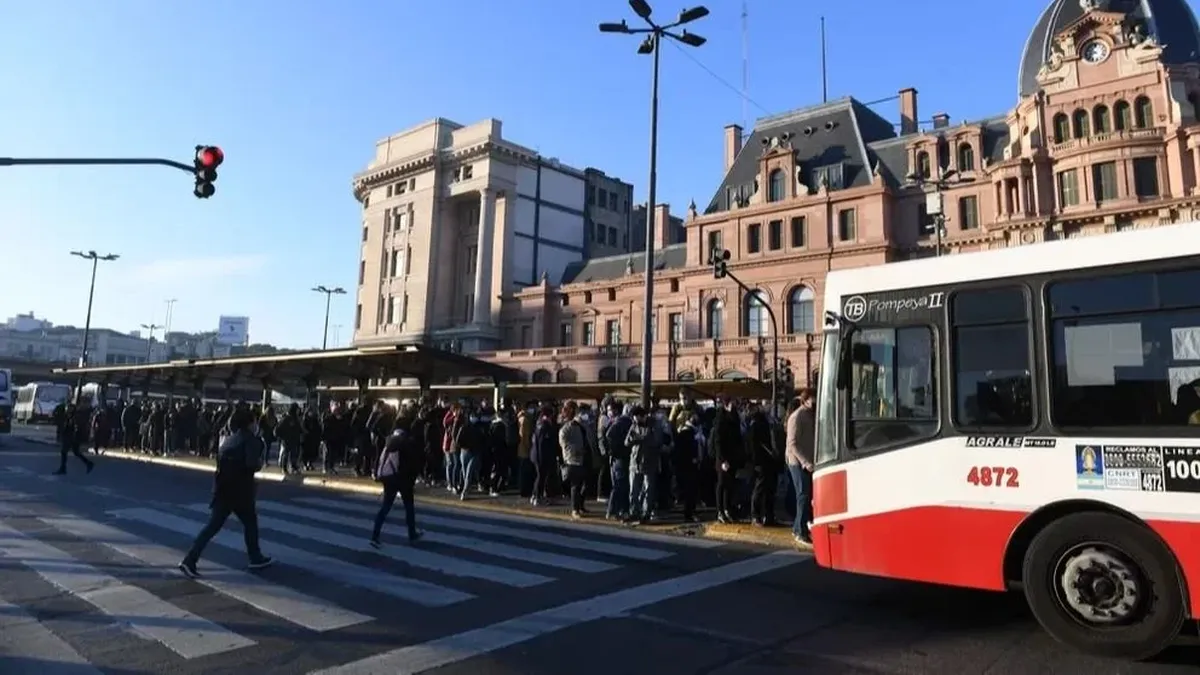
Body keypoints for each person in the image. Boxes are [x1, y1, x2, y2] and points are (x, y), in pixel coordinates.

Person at [178, 407, 274, 578]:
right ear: (250, 423)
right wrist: (259, 461)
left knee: (212, 527)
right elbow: (252, 463)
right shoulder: (251, 440)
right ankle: (255, 557)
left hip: (223, 489)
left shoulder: (228, 440)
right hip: (241, 491)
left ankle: (190, 559)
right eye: (254, 421)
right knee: (250, 522)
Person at [370, 415, 424, 547]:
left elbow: (380, 457)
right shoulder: (406, 442)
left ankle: (375, 535)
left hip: (388, 478)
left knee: (385, 507)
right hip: (403, 479)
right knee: (409, 507)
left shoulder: (389, 440)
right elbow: (412, 463)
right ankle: (412, 533)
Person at [785, 390, 816, 545]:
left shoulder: (810, 415)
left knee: (806, 495)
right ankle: (799, 530)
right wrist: (805, 462)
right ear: (805, 400)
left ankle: (801, 525)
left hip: (808, 461)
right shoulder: (796, 417)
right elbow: (793, 444)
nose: (815, 401)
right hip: (797, 463)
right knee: (802, 495)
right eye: (812, 398)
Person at [54, 402, 95, 475]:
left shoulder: (74, 417)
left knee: (64, 452)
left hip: (72, 437)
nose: (67, 409)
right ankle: (88, 463)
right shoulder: (70, 416)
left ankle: (63, 468)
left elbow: (74, 427)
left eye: (69, 408)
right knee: (75, 452)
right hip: (71, 436)